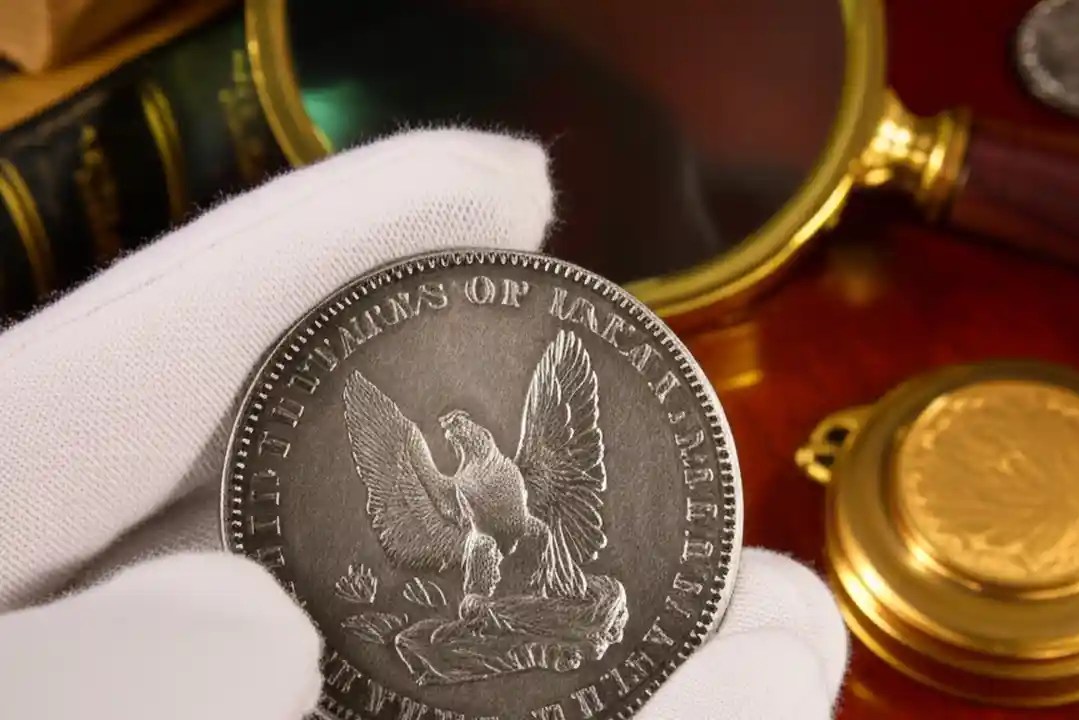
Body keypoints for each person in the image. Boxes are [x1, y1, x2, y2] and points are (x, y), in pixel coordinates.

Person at [0, 130, 848, 719]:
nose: (457, 440)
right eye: (452, 437)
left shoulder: (526, 463)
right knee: (476, 549)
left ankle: (545, 601)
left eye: (461, 434)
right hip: (482, 556)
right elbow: (406, 464)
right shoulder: (445, 487)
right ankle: (481, 619)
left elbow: (564, 417)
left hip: (542, 538)